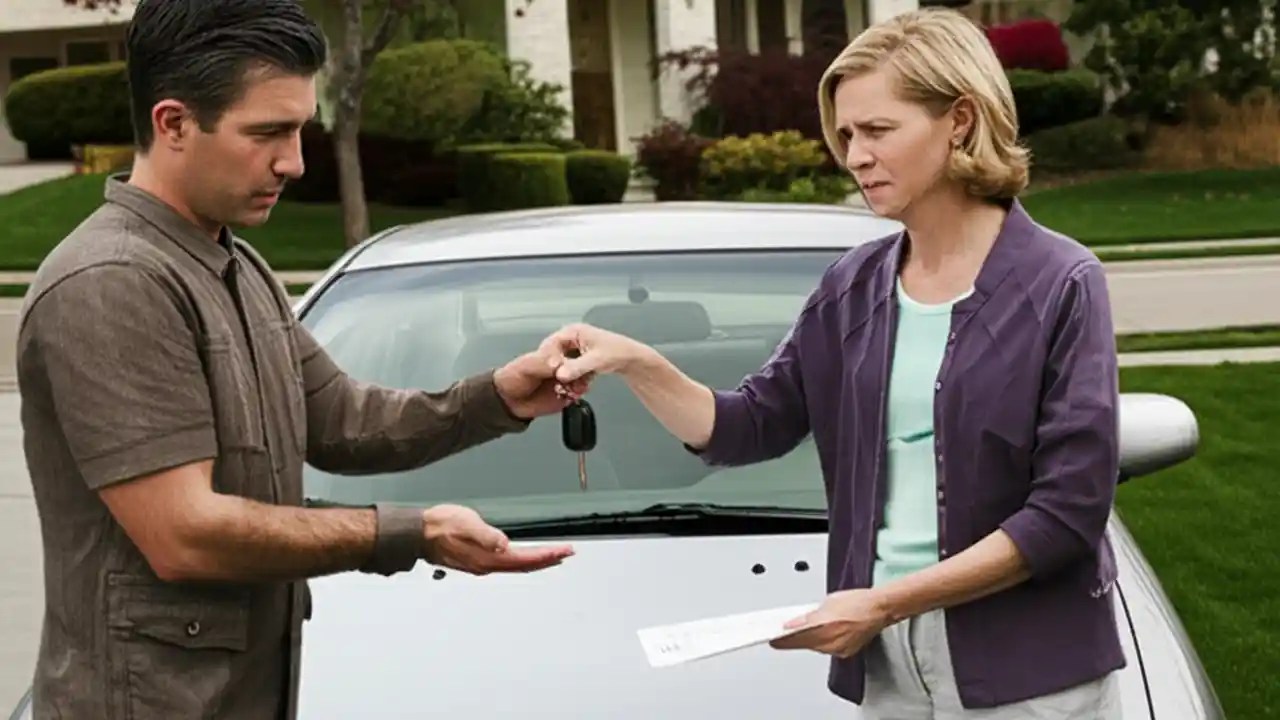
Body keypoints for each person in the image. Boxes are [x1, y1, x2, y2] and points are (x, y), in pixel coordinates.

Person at [540, 7, 1124, 719]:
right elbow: (745, 427)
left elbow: (1066, 517)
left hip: (1031, 676)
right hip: (885, 668)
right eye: (846, 134)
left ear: (961, 121)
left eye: (878, 130)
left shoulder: (1063, 282)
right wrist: (637, 363)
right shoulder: (853, 287)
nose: (855, 155)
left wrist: (883, 601)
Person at [15, 1, 581, 718]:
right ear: (173, 124)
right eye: (268, 133)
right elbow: (184, 536)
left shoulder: (235, 265)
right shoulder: (112, 282)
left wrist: (498, 396)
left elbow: (341, 418)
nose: (294, 160)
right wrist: (413, 531)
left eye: (300, 129)